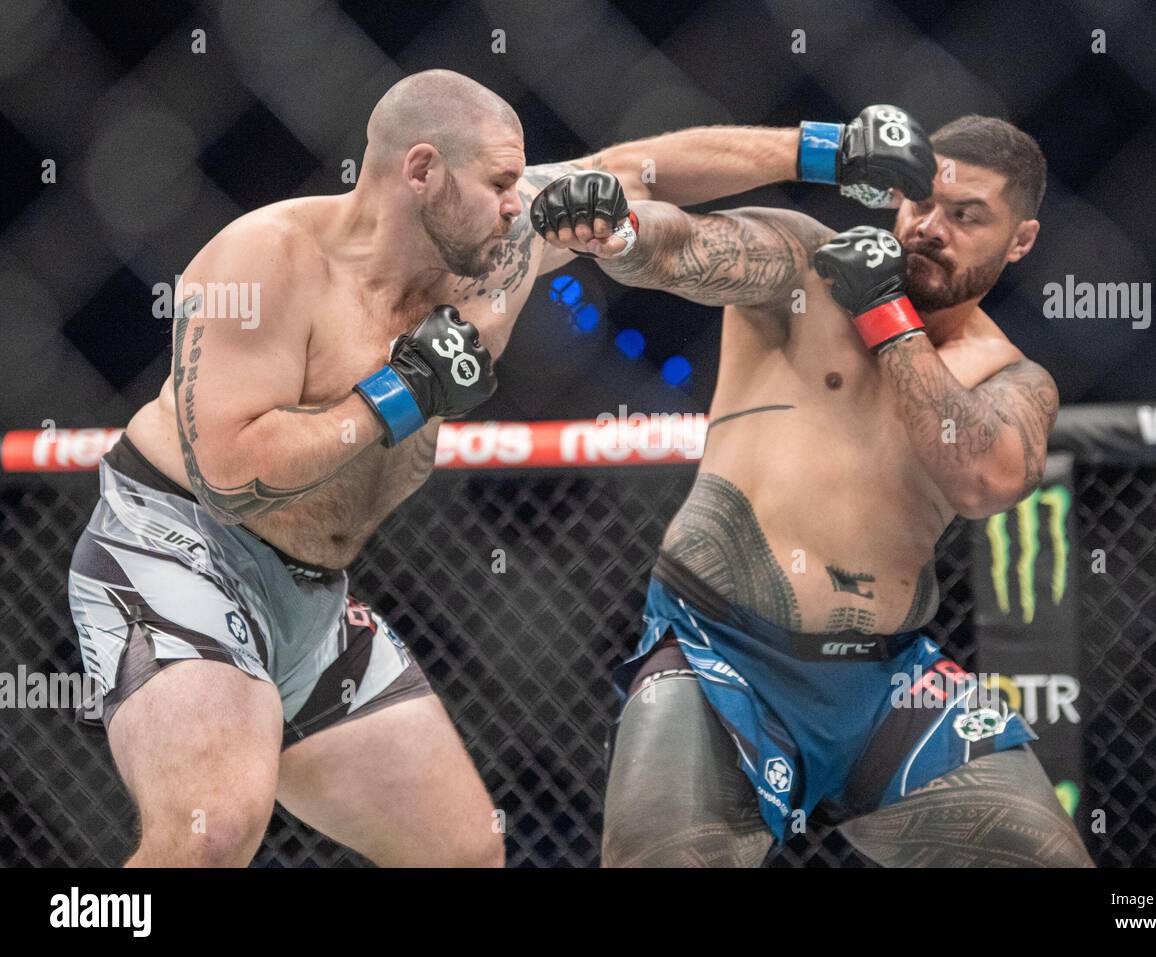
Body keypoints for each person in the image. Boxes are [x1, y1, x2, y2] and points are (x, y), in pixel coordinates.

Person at [66, 67, 924, 866]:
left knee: (464, 850)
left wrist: (823, 149)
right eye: (502, 185)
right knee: (209, 830)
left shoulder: (504, 244)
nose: (523, 205)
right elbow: (226, 471)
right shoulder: (268, 259)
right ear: (423, 170)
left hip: (313, 598)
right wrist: (392, 396)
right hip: (182, 549)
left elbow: (640, 168)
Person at [533, 114, 1094, 867]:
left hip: (889, 686)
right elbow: (687, 250)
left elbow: (984, 481)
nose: (930, 227)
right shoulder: (807, 264)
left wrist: (888, 320)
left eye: (967, 217)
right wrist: (622, 233)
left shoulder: (1011, 377)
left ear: (1020, 239)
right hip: (719, 655)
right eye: (922, 202)